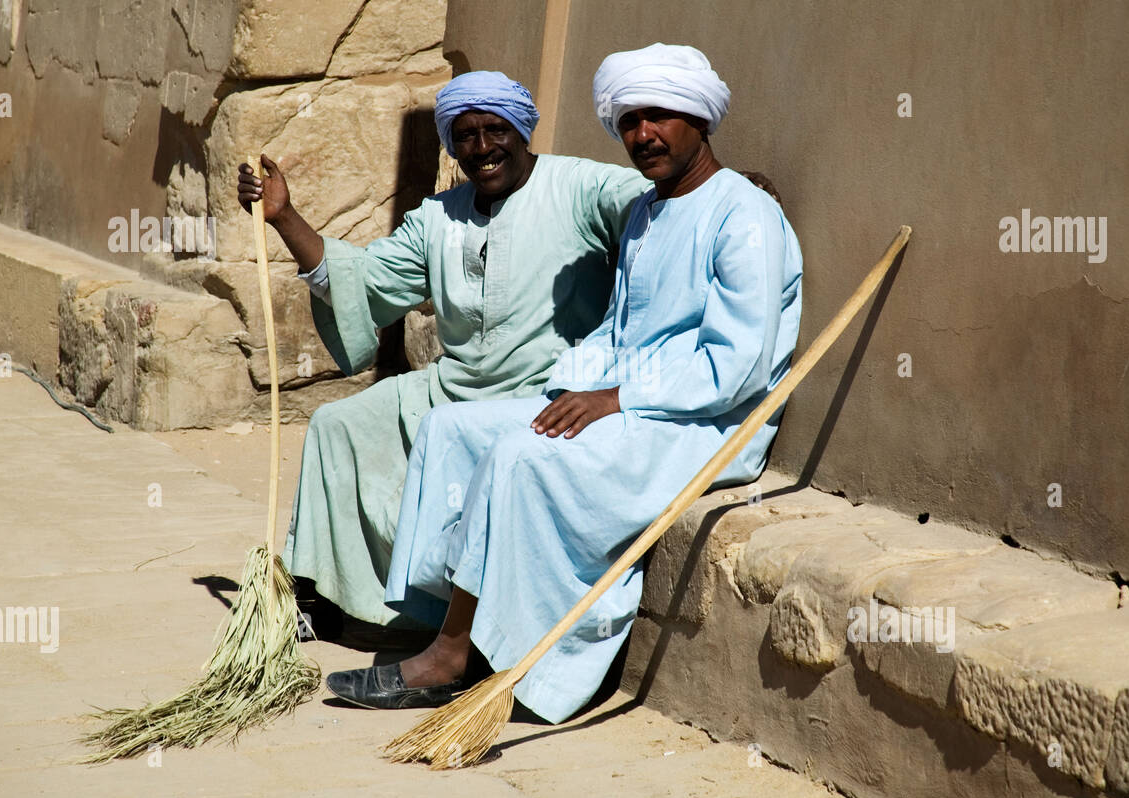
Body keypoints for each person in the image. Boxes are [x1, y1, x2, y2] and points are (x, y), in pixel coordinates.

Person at [325, 43, 804, 718]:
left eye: (660, 116)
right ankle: (452, 624)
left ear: (700, 119)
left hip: (701, 422)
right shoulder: (649, 213)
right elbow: (617, 329)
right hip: (633, 403)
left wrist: (616, 398)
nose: (643, 134)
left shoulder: (743, 214)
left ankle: (454, 657)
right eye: (629, 120)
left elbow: (737, 366)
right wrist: (568, 390)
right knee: (452, 428)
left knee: (520, 456)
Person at [237, 71, 648, 636]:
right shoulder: (438, 216)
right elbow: (365, 278)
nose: (482, 147)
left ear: (521, 130)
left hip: (544, 394)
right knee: (337, 423)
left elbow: (658, 204)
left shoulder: (580, 186)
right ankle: (320, 595)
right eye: (465, 135)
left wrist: (727, 193)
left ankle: (442, 618)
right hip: (452, 387)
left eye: (495, 130)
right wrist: (284, 216)